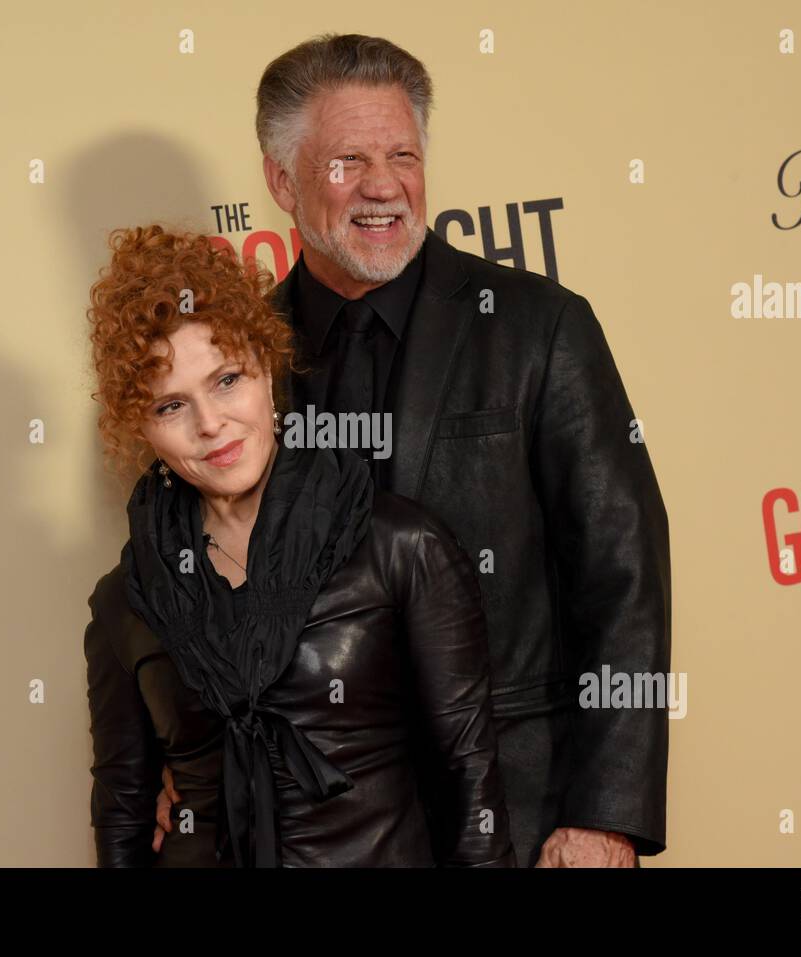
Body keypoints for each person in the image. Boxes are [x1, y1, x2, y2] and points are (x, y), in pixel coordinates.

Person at [150, 33, 672, 869]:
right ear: (281, 181)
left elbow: (624, 577)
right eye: (348, 161)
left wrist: (603, 816)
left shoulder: (539, 327)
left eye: (402, 155)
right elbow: (193, 581)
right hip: (321, 830)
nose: (383, 185)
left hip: (527, 810)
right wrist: (186, 757)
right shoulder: (233, 366)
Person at [82, 223, 516, 867]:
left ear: (267, 366)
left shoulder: (400, 547)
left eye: (227, 380)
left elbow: (469, 776)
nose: (211, 424)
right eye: (171, 406)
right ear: (140, 428)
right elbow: (122, 813)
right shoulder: (128, 601)